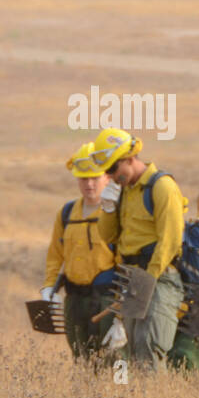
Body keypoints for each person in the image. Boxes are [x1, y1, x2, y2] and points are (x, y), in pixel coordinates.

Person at [91, 127, 185, 369]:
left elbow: (170, 241)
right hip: (131, 280)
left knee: (149, 350)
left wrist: (147, 281)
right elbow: (108, 236)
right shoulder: (123, 191)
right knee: (132, 354)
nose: (110, 176)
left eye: (113, 169)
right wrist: (109, 208)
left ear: (130, 159)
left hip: (158, 278)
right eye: (106, 171)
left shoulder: (161, 187)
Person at [42, 143, 118, 362]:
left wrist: (122, 313)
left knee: (112, 360)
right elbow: (56, 254)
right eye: (83, 178)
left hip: (107, 300)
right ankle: (87, 396)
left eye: (95, 177)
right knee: (81, 360)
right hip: (75, 300)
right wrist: (49, 286)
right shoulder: (66, 213)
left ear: (108, 178)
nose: (89, 184)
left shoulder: (116, 212)